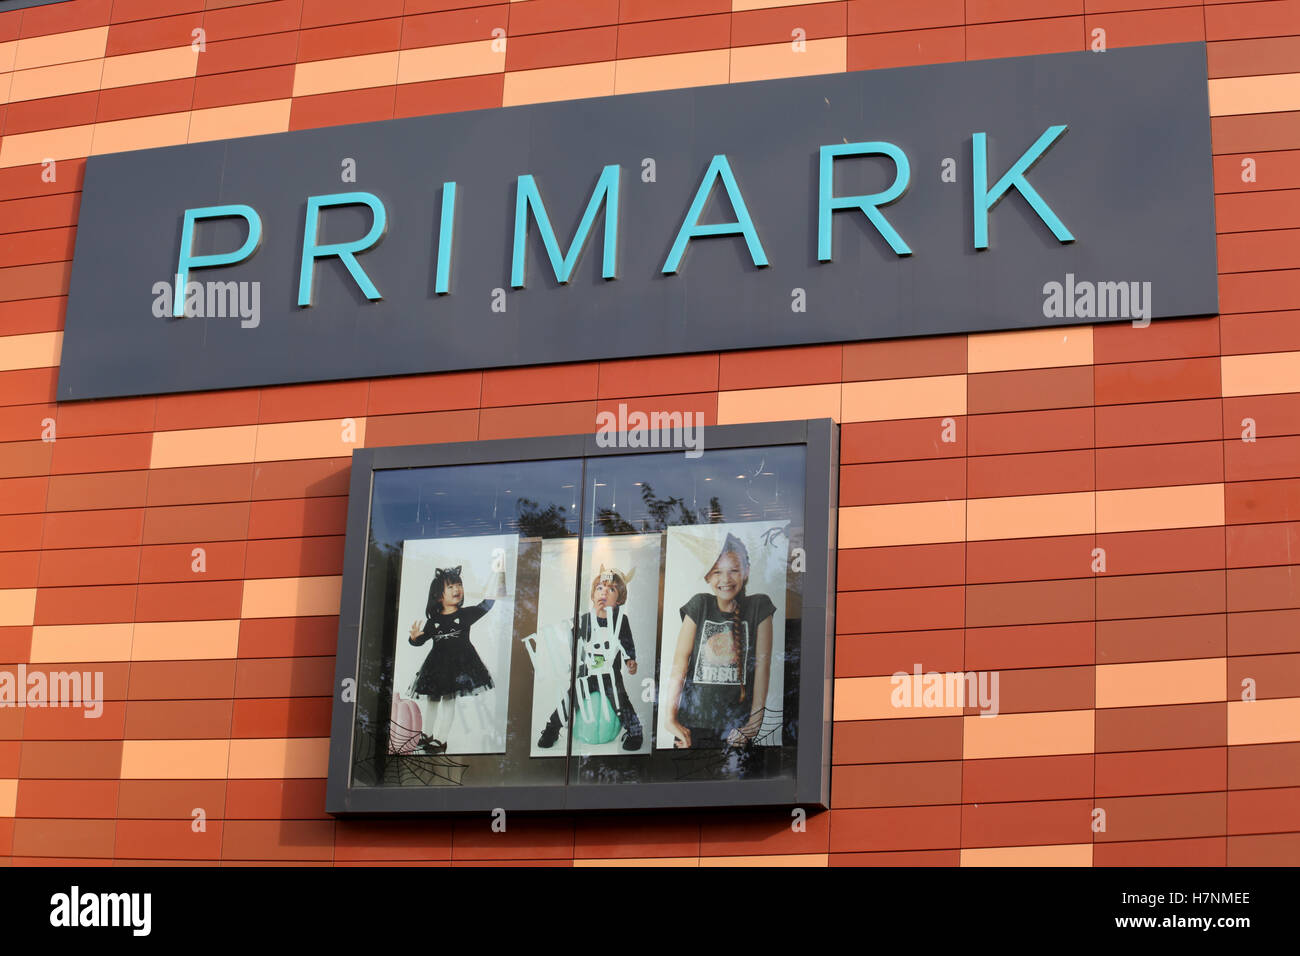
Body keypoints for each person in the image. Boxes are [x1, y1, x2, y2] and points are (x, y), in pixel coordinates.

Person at [663, 533, 775, 754]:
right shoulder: (699, 605)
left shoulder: (759, 607)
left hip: (737, 730)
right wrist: (669, 719)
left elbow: (763, 667)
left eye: (733, 570)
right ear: (707, 576)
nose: (725, 579)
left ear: (746, 571)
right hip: (691, 727)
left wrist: (752, 727)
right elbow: (679, 663)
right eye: (717, 571)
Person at [537, 566, 643, 752]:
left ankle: (635, 732)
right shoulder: (584, 619)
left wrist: (630, 661)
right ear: (593, 595)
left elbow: (627, 644)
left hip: (610, 675)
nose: (604, 593)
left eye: (611, 590)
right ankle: (551, 729)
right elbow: (572, 645)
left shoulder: (620, 620)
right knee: (570, 700)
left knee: (620, 700)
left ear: (618, 600)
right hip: (586, 674)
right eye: (600, 588)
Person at [405, 563, 504, 754]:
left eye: (458, 585)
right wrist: (413, 638)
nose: (456, 589)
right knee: (433, 700)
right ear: (438, 596)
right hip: (435, 667)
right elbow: (420, 641)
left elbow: (487, 604)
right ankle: (427, 734)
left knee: (449, 701)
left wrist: (497, 578)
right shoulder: (433, 621)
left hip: (458, 667)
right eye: (450, 587)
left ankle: (441, 739)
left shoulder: (465, 615)